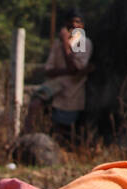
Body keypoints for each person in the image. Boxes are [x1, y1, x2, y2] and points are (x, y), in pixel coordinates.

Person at [39, 8, 92, 144]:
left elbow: (74, 68)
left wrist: (65, 44)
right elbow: (49, 70)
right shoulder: (58, 44)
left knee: (63, 127)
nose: (74, 25)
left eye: (78, 22)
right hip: (55, 87)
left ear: (82, 26)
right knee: (36, 102)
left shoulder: (82, 43)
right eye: (71, 21)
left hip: (71, 92)